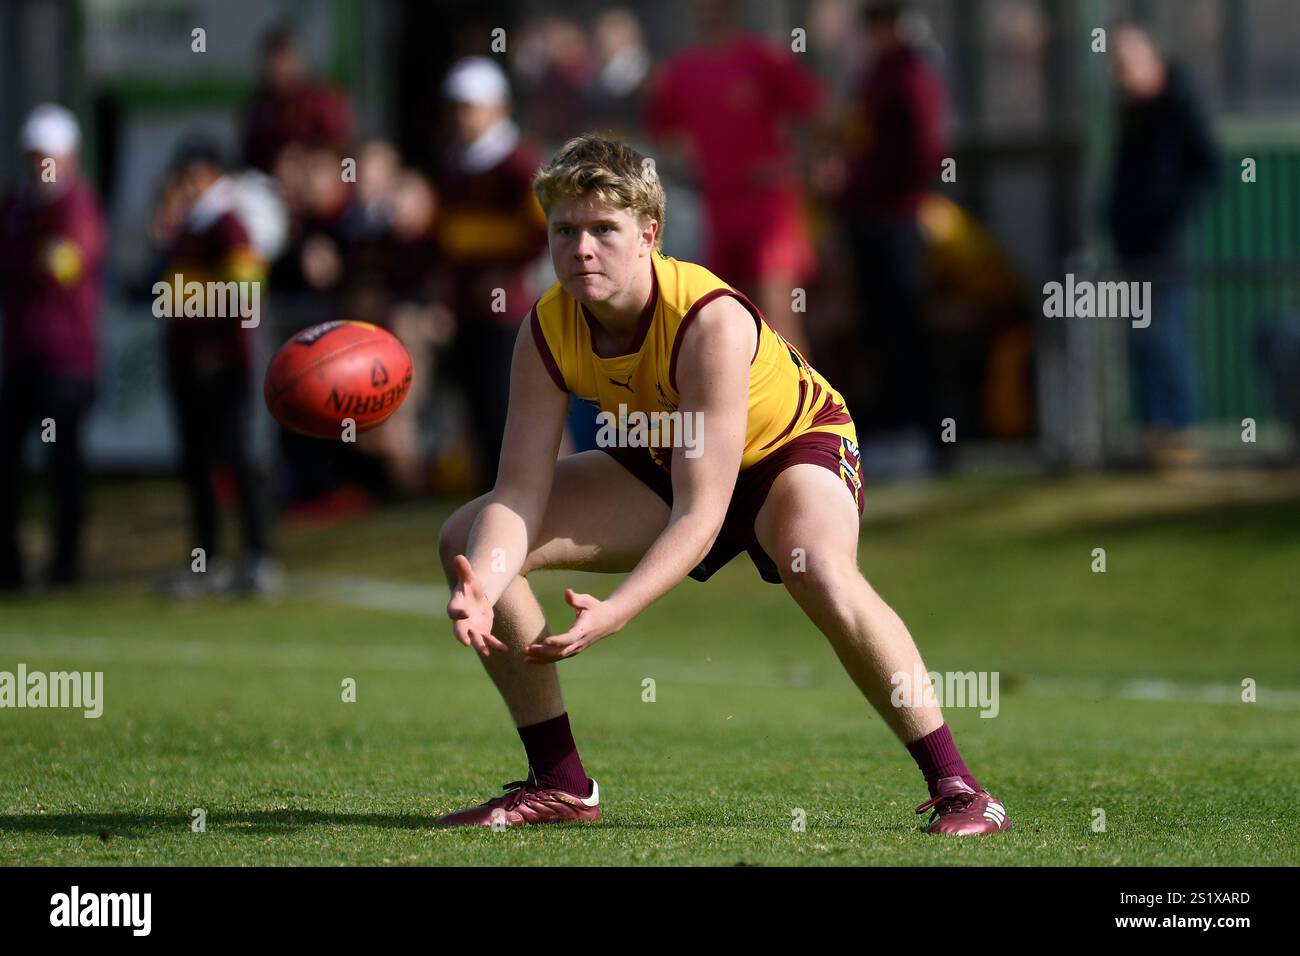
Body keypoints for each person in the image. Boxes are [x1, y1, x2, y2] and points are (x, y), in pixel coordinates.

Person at [434, 135, 1010, 835]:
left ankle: (961, 788)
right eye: (565, 230)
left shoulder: (708, 320)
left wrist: (617, 610)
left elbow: (701, 514)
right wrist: (484, 584)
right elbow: (517, 494)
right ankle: (560, 784)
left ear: (650, 235)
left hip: (787, 449)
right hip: (666, 456)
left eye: (603, 230)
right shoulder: (547, 329)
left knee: (819, 568)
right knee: (467, 535)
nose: (582, 248)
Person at [644, 0, 825, 357]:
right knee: (726, 317)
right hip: (718, 209)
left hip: (768, 208)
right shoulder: (682, 71)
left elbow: (816, 110)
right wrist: (691, 169)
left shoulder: (764, 59)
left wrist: (798, 165)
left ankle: (809, 411)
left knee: (779, 314)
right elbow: (662, 133)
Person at [157, 138, 278, 596]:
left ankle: (258, 557)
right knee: (198, 465)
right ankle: (207, 560)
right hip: (188, 366)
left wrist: (218, 348)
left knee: (241, 460)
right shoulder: (189, 226)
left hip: (222, 368)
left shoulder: (228, 225)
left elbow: (248, 294)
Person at [832, 1, 948, 460]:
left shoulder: (912, 76)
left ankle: (925, 433)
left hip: (896, 219)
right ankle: (895, 428)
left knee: (905, 326)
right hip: (866, 218)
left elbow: (924, 149)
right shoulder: (874, 74)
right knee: (879, 328)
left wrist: (875, 185)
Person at [0, 105, 106, 591]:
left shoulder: (75, 205)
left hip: (66, 360)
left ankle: (67, 566)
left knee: (65, 467)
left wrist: (30, 255)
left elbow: (64, 264)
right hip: (20, 356)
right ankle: (13, 568)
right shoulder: (17, 206)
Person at [435, 56, 550, 491]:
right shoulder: (454, 164)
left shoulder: (520, 165)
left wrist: (507, 273)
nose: (463, 117)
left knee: (507, 405)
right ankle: (490, 495)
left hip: (508, 311)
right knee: (476, 406)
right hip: (466, 310)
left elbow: (544, 228)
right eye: (458, 108)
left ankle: (520, 493)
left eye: (472, 107)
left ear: (498, 107)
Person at [1107, 23, 1219, 467]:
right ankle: (1157, 440)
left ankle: (1182, 437)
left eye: (1127, 63)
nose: (1121, 74)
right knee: (1144, 344)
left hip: (1165, 248)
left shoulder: (1178, 104)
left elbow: (1209, 166)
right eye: (1116, 65)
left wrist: (1167, 209)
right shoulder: (1131, 110)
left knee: (1166, 340)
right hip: (1133, 248)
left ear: (1151, 59)